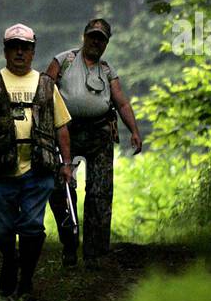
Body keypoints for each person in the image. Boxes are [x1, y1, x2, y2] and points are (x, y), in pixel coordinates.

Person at [0, 23, 73, 300]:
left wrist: (66, 164)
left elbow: (62, 126)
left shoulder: (47, 84)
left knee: (32, 228)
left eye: (25, 47)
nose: (19, 52)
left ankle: (25, 279)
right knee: (0, 229)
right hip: (1, 170)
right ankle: (10, 258)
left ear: (33, 51)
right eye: (14, 47)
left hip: (38, 170)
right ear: (5, 50)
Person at [46, 17, 142, 266]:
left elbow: (122, 102)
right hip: (65, 132)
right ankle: (70, 243)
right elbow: (44, 92)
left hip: (100, 133)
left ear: (106, 43)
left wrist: (134, 130)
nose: (96, 42)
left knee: (100, 193)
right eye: (93, 36)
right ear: (84, 36)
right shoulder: (64, 61)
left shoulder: (108, 70)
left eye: (101, 39)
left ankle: (95, 253)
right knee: (61, 189)